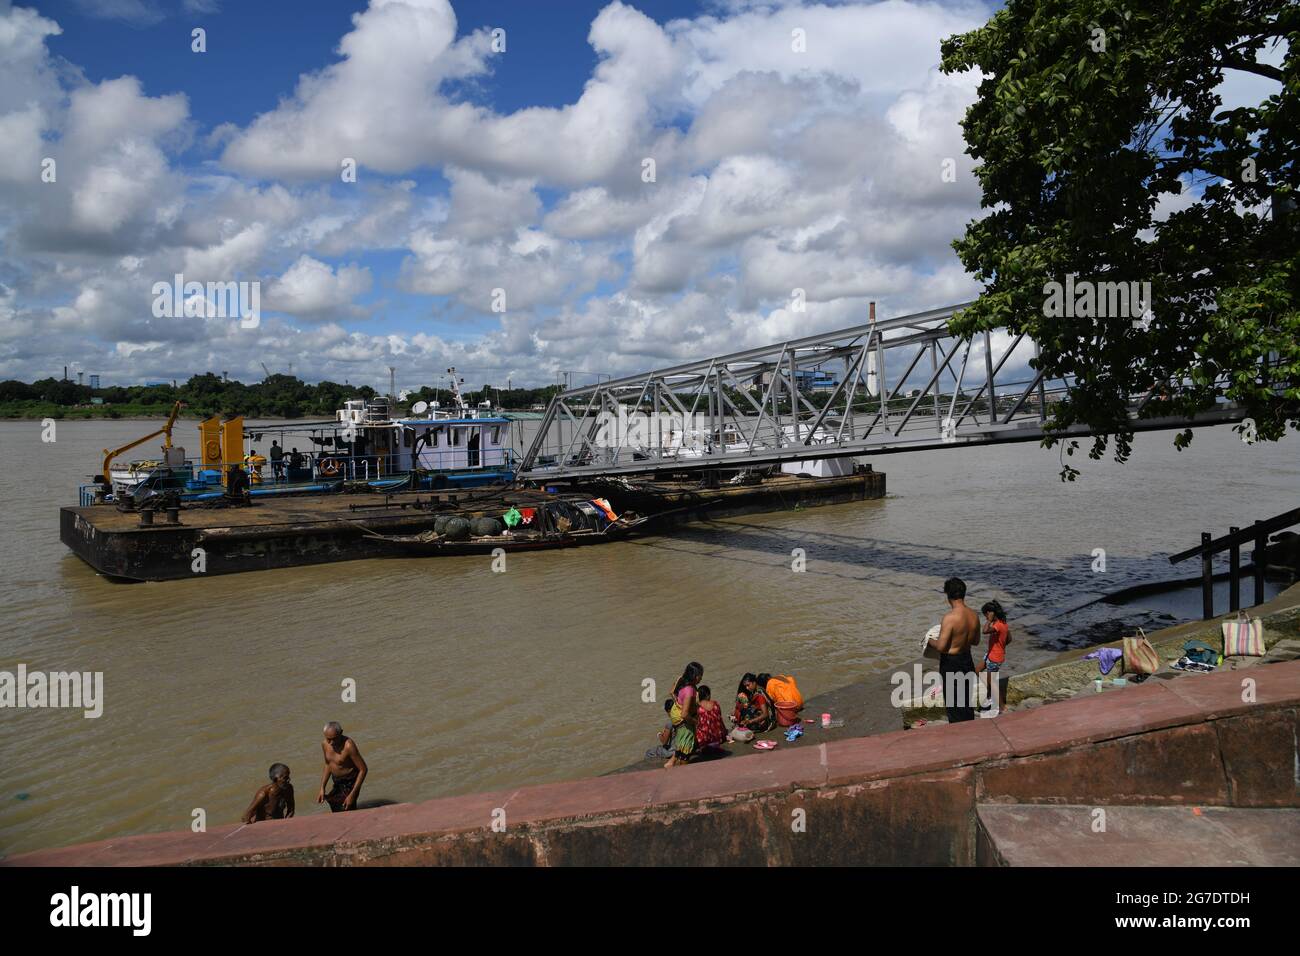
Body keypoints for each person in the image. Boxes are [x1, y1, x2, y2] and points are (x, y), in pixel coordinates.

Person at [926, 577, 981, 723]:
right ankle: (969, 729)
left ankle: (959, 736)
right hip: (967, 659)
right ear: (964, 593)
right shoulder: (974, 615)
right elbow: (976, 641)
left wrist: (929, 641)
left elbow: (942, 647)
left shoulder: (949, 618)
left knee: (954, 703)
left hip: (952, 663)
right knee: (965, 699)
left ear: (948, 595)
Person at [317, 721, 367, 812]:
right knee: (335, 807)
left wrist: (353, 794)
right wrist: (322, 788)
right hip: (337, 781)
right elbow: (328, 764)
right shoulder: (325, 744)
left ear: (341, 733)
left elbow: (363, 769)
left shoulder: (349, 746)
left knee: (348, 808)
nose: (331, 743)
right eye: (328, 739)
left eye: (334, 739)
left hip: (350, 781)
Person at [976, 600, 1011, 713]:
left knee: (993, 684)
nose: (985, 617)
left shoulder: (998, 625)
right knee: (977, 670)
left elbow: (985, 631)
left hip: (994, 658)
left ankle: (1002, 708)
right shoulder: (1003, 623)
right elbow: (1009, 639)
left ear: (990, 613)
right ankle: (990, 694)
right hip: (990, 654)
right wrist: (1001, 645)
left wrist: (989, 620)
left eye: (986, 615)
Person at [665, 663, 702, 768]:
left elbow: (671, 692)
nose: (701, 678)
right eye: (700, 675)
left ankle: (671, 763)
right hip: (684, 721)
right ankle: (683, 772)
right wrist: (696, 722)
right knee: (686, 749)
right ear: (695, 676)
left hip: (676, 716)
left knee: (681, 742)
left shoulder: (682, 681)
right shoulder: (690, 690)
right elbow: (685, 714)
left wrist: (678, 702)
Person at [694, 685, 727, 751]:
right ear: (708, 695)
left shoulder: (698, 707)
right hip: (717, 737)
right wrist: (724, 733)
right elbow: (720, 720)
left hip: (703, 739)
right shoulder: (716, 704)